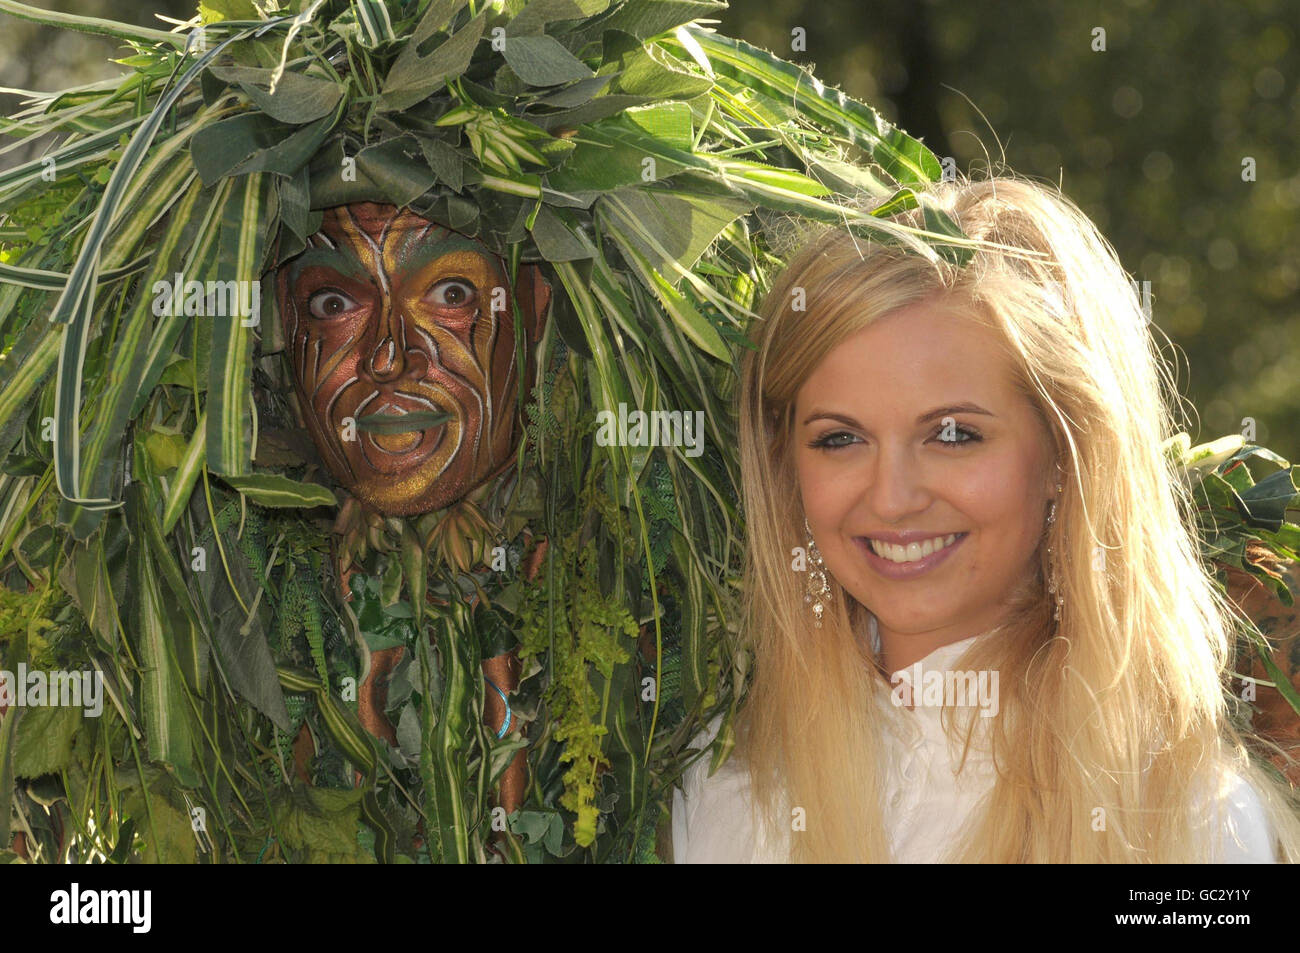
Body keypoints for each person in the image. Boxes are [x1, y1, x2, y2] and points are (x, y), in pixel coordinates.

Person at [672, 172, 1300, 863]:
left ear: (1065, 452)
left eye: (952, 434)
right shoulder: (724, 794)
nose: (892, 497)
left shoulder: (1188, 818)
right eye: (840, 438)